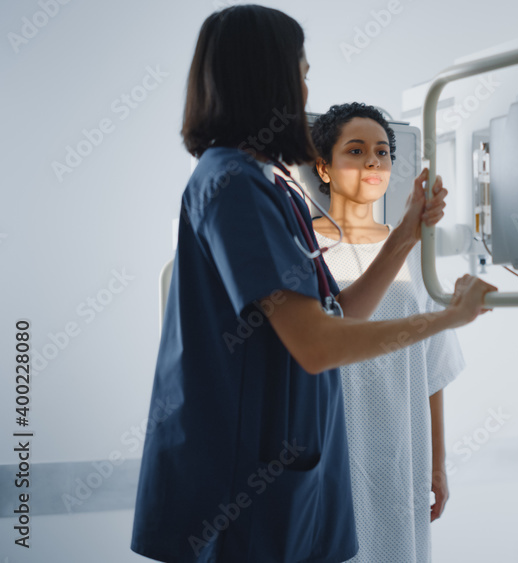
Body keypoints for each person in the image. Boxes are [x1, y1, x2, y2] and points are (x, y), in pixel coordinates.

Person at [130, 6, 495, 563]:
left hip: (292, 482)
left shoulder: (271, 186)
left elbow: (339, 313)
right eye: (300, 71)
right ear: (266, 77)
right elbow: (318, 344)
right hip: (242, 491)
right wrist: (449, 316)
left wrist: (404, 235)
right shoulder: (232, 185)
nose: (305, 86)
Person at [310, 102, 462, 562]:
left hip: (401, 447)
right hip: (331, 442)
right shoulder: (304, 249)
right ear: (324, 167)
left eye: (381, 152)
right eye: (355, 151)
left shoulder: (415, 251)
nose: (372, 162)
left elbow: (432, 366)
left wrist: (437, 463)